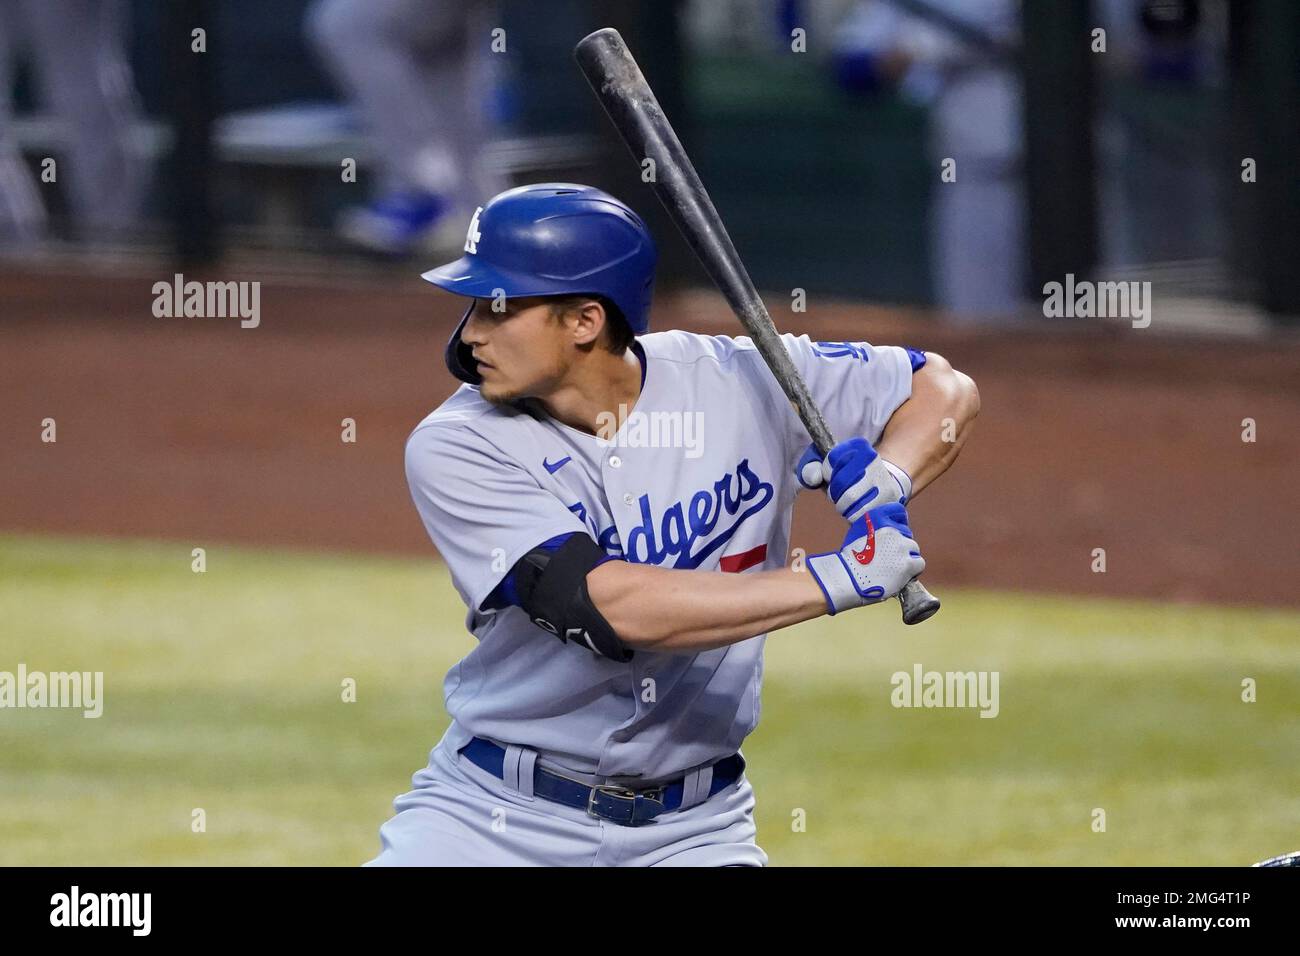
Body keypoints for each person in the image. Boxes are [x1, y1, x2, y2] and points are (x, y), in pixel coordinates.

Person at [368, 183, 979, 866]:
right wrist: (837, 579)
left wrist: (890, 476)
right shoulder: (457, 444)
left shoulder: (737, 379)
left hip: (694, 831)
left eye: (498, 306)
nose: (471, 331)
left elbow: (943, 388)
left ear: (584, 321)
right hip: (492, 820)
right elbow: (608, 606)